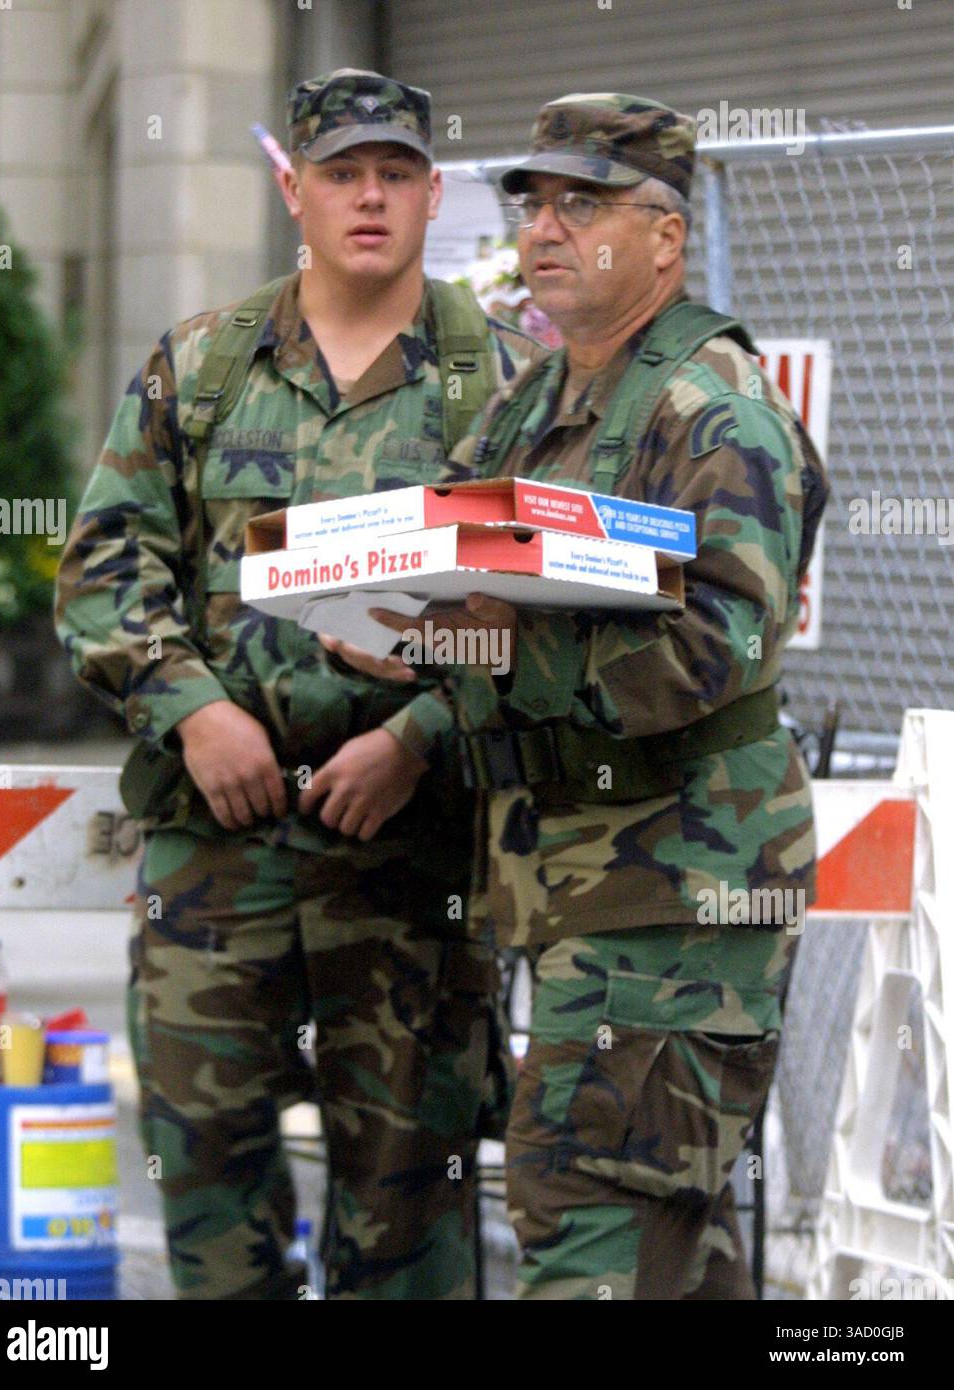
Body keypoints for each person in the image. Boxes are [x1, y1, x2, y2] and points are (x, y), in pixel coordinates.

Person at [327, 91, 830, 1299]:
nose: (547, 226)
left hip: (678, 883)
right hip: (578, 880)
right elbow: (453, 573)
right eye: (535, 201)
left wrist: (486, 653)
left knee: (583, 1199)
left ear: (665, 237)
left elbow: (715, 644)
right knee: (671, 1236)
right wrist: (393, 648)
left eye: (584, 203)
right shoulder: (535, 405)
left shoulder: (715, 412)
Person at [54, 68, 542, 1301]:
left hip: (411, 867)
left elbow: (552, 621)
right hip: (217, 858)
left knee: (407, 1207)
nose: (367, 196)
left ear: (435, 196)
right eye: (341, 174)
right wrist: (194, 709)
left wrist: (424, 732)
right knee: (206, 1181)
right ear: (295, 191)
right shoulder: (204, 368)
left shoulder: (504, 389)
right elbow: (104, 572)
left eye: (393, 174)